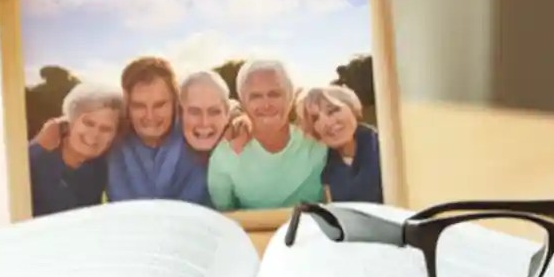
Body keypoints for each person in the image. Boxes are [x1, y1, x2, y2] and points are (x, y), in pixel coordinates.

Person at [207, 60, 327, 210]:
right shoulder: (225, 154)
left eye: (274, 94)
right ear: (243, 102)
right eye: (255, 96)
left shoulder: (318, 141)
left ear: (290, 97)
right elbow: (225, 215)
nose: (266, 104)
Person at [105, 57, 209, 204]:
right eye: (139, 106)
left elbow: (221, 109)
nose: (150, 116)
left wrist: (236, 113)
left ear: (175, 102)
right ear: (127, 105)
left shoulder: (199, 131)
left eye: (160, 105)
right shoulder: (109, 138)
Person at [27, 83, 123, 217]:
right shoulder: (32, 162)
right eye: (88, 123)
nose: (94, 135)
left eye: (106, 129)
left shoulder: (102, 165)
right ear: (71, 120)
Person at [296, 85, 383, 203]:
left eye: (333, 110)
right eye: (315, 118)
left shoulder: (385, 148)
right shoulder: (325, 166)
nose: (327, 122)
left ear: (352, 107)